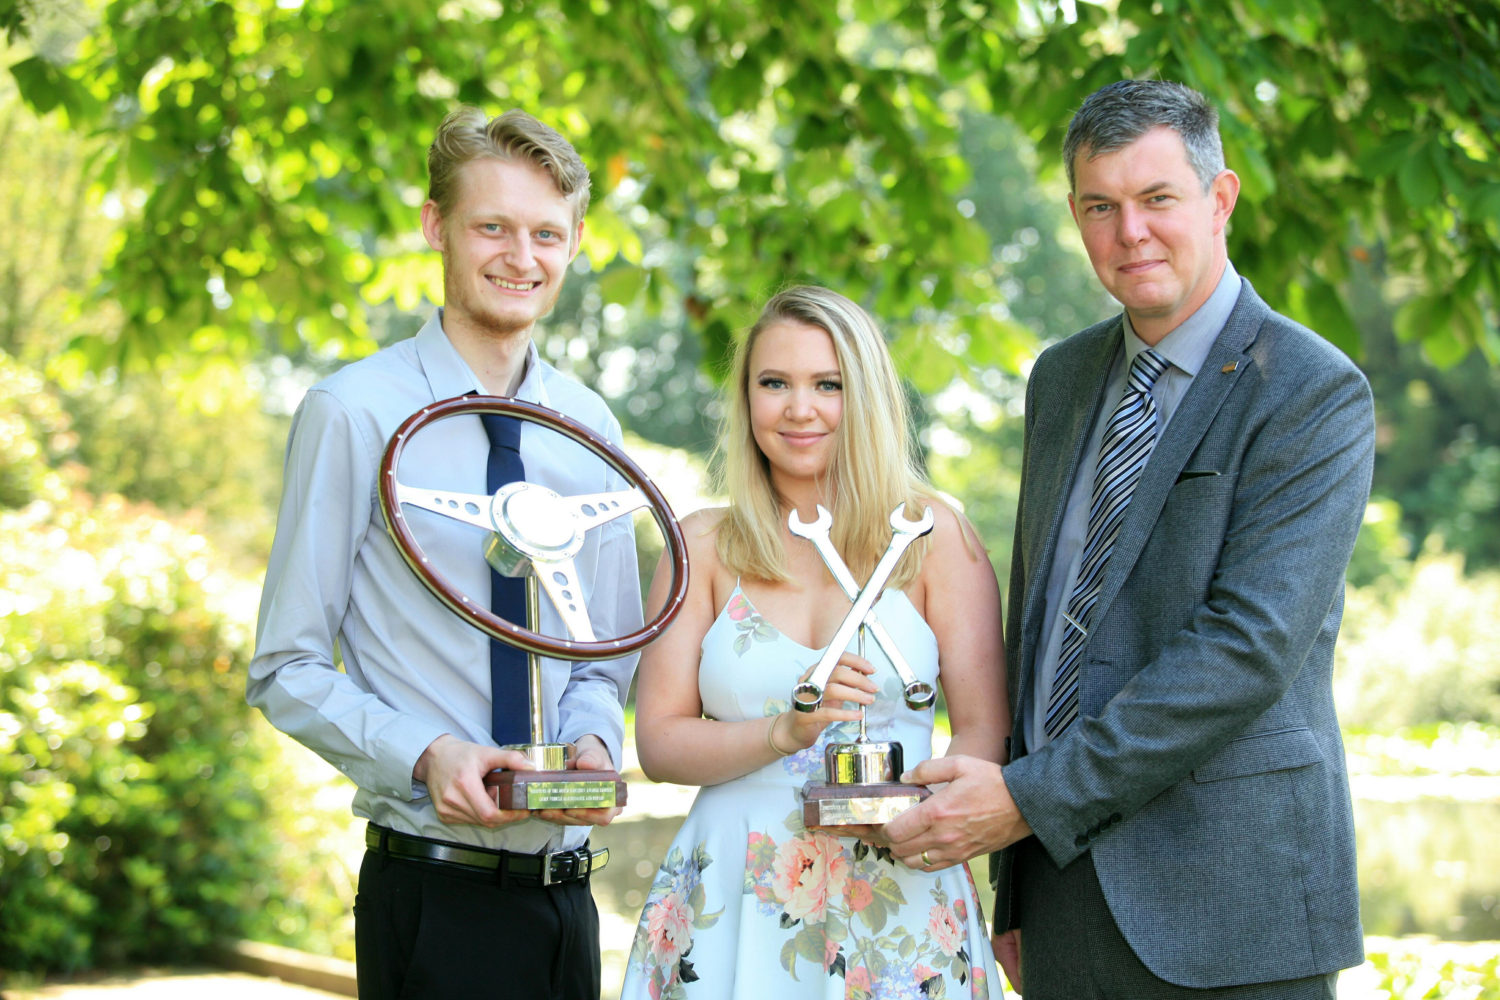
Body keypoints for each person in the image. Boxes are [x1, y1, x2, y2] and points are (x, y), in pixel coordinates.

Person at [882, 80, 1374, 997]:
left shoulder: (1309, 390)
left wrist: (1025, 803)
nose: (1130, 233)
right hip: (1064, 889)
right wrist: (1014, 890)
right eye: (1101, 207)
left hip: (1235, 906)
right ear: (1074, 216)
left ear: (1219, 198)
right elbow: (1040, 635)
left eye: (1157, 199)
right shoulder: (1061, 379)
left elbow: (1248, 648)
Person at [247, 106, 642, 1000]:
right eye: (491, 226)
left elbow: (608, 653)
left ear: (575, 242)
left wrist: (588, 737)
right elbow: (285, 664)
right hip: (430, 896)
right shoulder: (352, 412)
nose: (521, 257)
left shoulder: (591, 429)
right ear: (437, 227)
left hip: (568, 903)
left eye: (546, 233)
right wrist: (424, 752)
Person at [619, 285, 1008, 999]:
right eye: (775, 383)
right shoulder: (701, 544)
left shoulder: (932, 536)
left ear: (864, 397)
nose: (800, 409)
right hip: (734, 892)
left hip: (900, 897)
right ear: (746, 399)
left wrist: (922, 821)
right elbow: (660, 742)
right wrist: (780, 732)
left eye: (827, 384)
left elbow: (985, 731)